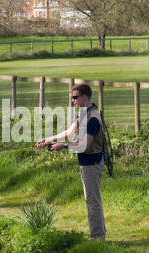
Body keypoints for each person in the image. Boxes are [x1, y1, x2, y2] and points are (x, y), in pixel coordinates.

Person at [36, 83, 106, 240]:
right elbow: (70, 132)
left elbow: (84, 145)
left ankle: (97, 239)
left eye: (75, 97)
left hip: (92, 163)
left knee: (92, 202)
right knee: (92, 200)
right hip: (86, 163)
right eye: (72, 98)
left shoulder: (92, 118)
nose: (73, 101)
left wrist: (64, 146)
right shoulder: (83, 113)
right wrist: (48, 140)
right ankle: (99, 234)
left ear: (84, 97)